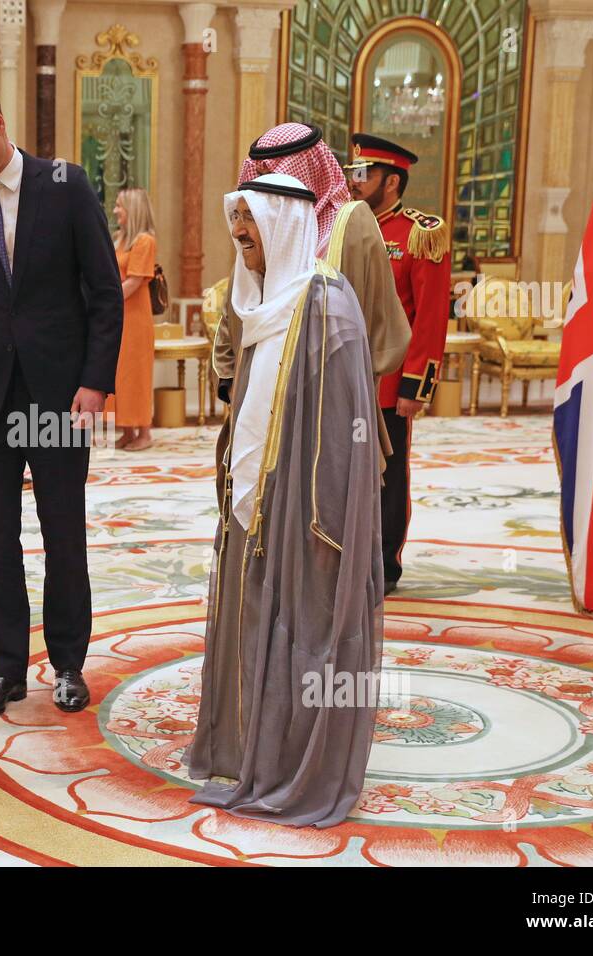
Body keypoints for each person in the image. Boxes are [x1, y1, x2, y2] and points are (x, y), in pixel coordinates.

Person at [187, 172, 384, 827]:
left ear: (284, 224)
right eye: (235, 219)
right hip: (257, 496)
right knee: (251, 613)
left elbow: (343, 430)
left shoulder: (327, 304)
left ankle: (296, 761)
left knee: (304, 623)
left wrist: (316, 518)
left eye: (251, 220)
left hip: (306, 510)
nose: (239, 231)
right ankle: (250, 749)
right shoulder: (261, 300)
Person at [0, 81, 123, 719]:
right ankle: (5, 670)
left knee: (63, 532)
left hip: (59, 395)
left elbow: (104, 291)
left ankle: (67, 665)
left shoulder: (64, 185)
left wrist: (94, 382)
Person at [212, 123, 410, 506]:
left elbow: (381, 324)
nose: (266, 188)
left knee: (320, 512)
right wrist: (233, 381)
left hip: (328, 412)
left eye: (275, 174)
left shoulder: (350, 224)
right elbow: (234, 314)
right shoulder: (255, 229)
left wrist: (345, 387)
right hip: (258, 403)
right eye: (259, 176)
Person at [345, 133, 451, 594]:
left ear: (391, 181)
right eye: (352, 172)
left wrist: (414, 385)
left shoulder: (419, 234)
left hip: (389, 382)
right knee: (342, 469)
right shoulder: (345, 225)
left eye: (363, 173)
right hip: (344, 375)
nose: (354, 181)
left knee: (387, 475)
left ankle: (384, 564)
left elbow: (430, 316)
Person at [108, 187, 157, 451]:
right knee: (119, 374)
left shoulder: (145, 241)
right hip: (119, 316)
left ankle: (144, 433)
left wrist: (108, 301)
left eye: (120, 206)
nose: (115, 210)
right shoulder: (120, 238)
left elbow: (135, 281)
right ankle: (127, 430)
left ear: (133, 209)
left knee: (137, 375)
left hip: (136, 319)